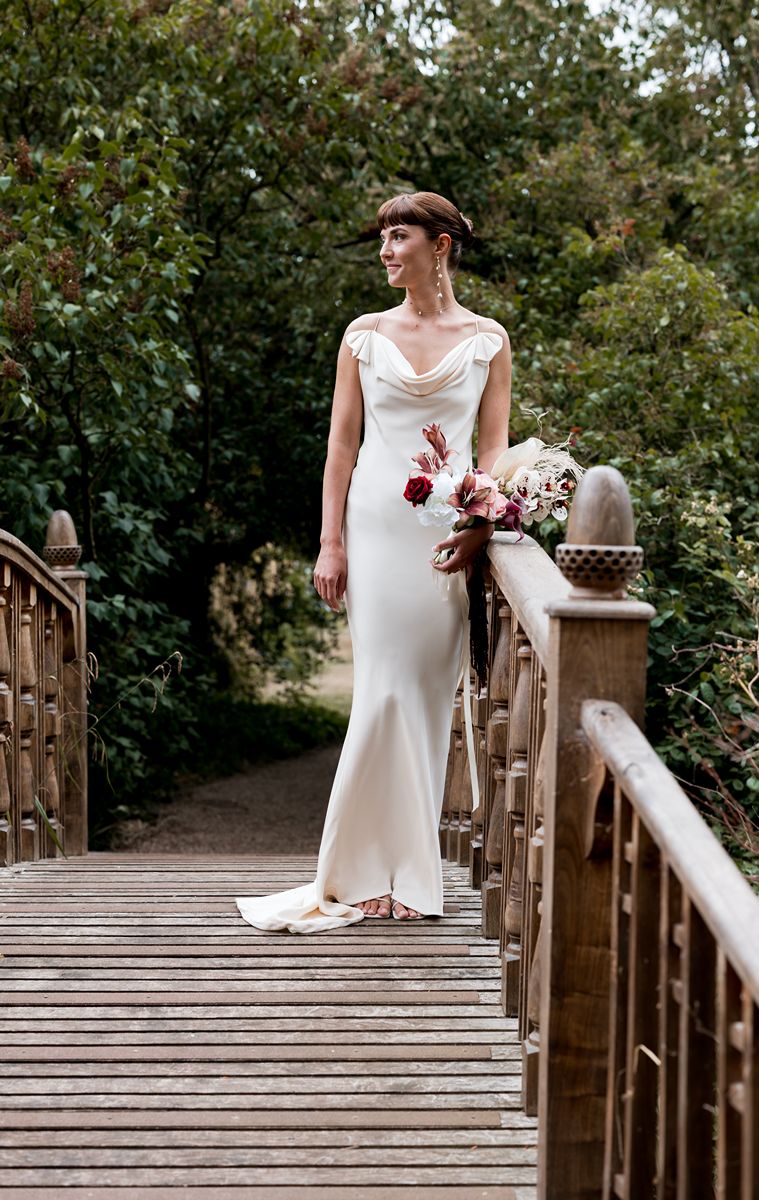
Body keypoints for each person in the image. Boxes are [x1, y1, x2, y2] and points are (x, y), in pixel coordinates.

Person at [235, 191, 511, 932]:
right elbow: (340, 446)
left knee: (425, 701)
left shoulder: (488, 340)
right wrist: (330, 542)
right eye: (383, 239)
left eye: (399, 237)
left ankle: (411, 878)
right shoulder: (362, 335)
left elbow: (493, 448)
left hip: (443, 539)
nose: (386, 251)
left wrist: (481, 526)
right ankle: (358, 875)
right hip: (374, 533)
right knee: (382, 692)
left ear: (439, 246)